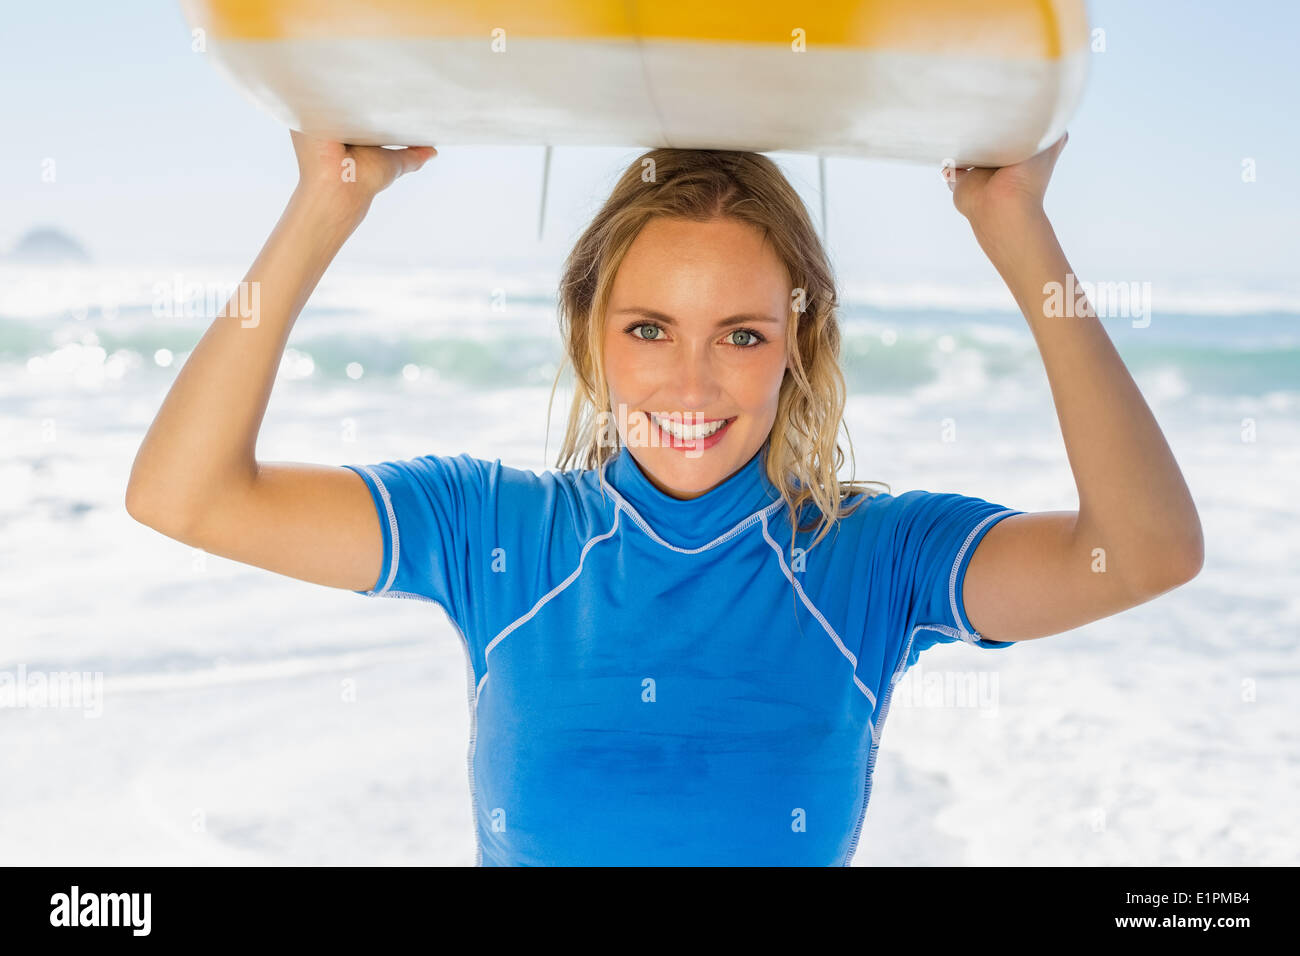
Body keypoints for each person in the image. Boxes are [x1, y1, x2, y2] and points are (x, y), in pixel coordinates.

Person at [126, 130, 1203, 866]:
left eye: (741, 334)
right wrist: (328, 199)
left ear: (798, 345)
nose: (691, 385)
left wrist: (1017, 228)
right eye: (649, 328)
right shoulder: (492, 531)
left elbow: (1145, 549)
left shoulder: (873, 561)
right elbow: (185, 493)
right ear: (590, 336)